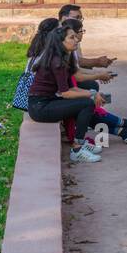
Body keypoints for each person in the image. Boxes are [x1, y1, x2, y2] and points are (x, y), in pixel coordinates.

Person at [61, 17, 127, 144]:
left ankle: (123, 130)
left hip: (54, 97)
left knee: (89, 97)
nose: (77, 39)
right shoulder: (57, 57)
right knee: (87, 103)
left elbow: (74, 75)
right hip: (46, 104)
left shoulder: (65, 52)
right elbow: (68, 87)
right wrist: (94, 88)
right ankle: (79, 146)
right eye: (74, 35)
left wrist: (97, 77)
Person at [28, 25, 103, 163]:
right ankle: (77, 149)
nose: (76, 40)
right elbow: (66, 93)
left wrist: (92, 92)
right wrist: (91, 95)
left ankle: (80, 143)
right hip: (40, 108)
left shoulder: (63, 58)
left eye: (76, 36)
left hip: (47, 102)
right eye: (71, 37)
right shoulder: (57, 62)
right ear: (60, 42)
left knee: (86, 101)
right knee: (87, 104)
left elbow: (71, 88)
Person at [57, 4, 117, 77]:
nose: (80, 21)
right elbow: (76, 64)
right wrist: (97, 69)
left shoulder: (72, 32)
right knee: (92, 85)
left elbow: (76, 62)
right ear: (64, 18)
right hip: (61, 78)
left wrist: (97, 67)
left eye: (80, 18)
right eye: (76, 18)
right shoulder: (59, 35)